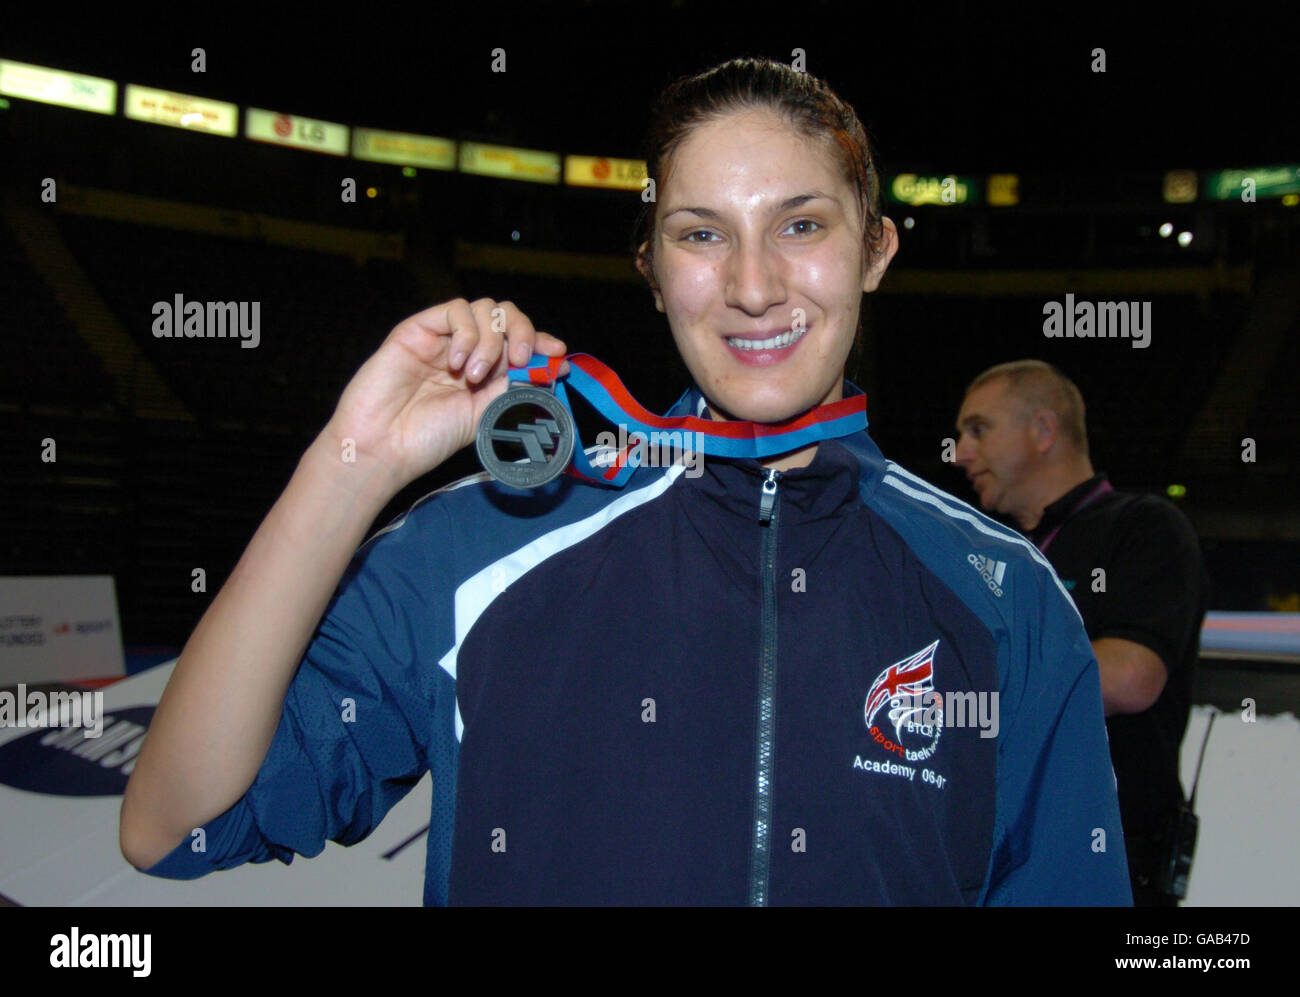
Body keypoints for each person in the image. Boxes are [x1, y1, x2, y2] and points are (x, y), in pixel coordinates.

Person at [120, 57, 1130, 905]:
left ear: (875, 249)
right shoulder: (481, 548)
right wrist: (353, 462)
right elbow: (175, 823)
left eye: (801, 224)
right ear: (651, 269)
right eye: (700, 234)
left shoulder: (1006, 600)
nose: (750, 284)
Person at [953, 359, 1209, 906]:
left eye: (978, 430)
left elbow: (1128, 677)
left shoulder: (1142, 527)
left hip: (1108, 863)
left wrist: (969, 692)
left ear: (1044, 430)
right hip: (992, 858)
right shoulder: (981, 546)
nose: (960, 453)